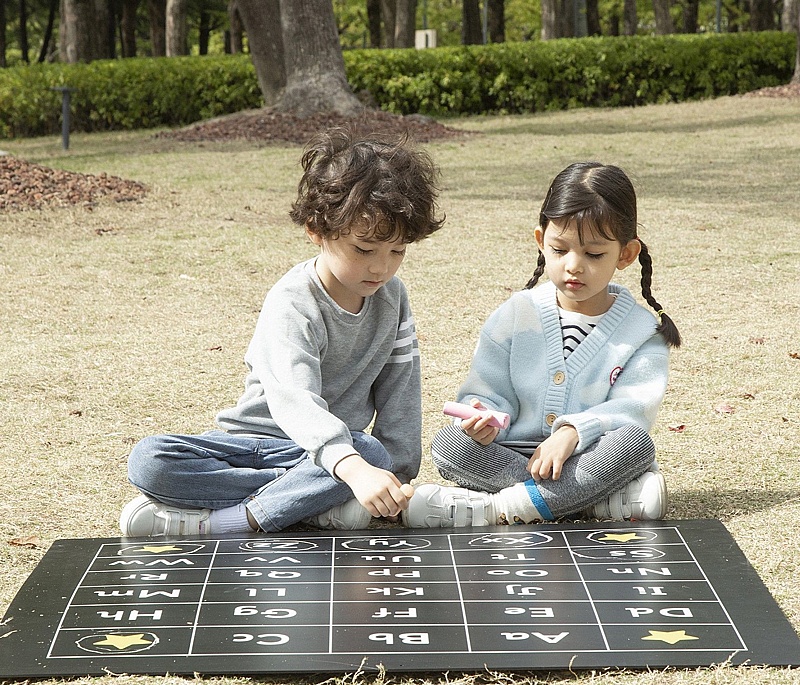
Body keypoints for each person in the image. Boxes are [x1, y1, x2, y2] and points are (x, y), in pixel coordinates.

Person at [120, 128, 444, 538]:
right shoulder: (293, 300)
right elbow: (295, 400)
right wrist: (353, 471)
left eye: (397, 251)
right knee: (151, 460)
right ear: (317, 230)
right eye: (364, 250)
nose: (381, 268)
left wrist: (391, 480)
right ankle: (283, 508)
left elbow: (401, 392)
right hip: (257, 448)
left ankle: (254, 511)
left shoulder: (393, 297)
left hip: (336, 456)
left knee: (374, 452)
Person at [403, 161, 681, 528]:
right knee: (451, 445)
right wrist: (481, 417)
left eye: (594, 254)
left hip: (588, 455)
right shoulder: (515, 314)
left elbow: (633, 411)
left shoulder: (642, 331)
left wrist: (572, 432)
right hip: (511, 454)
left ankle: (497, 508)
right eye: (560, 249)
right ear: (540, 241)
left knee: (634, 444)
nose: (574, 266)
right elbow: (487, 391)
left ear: (626, 255)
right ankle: (585, 501)